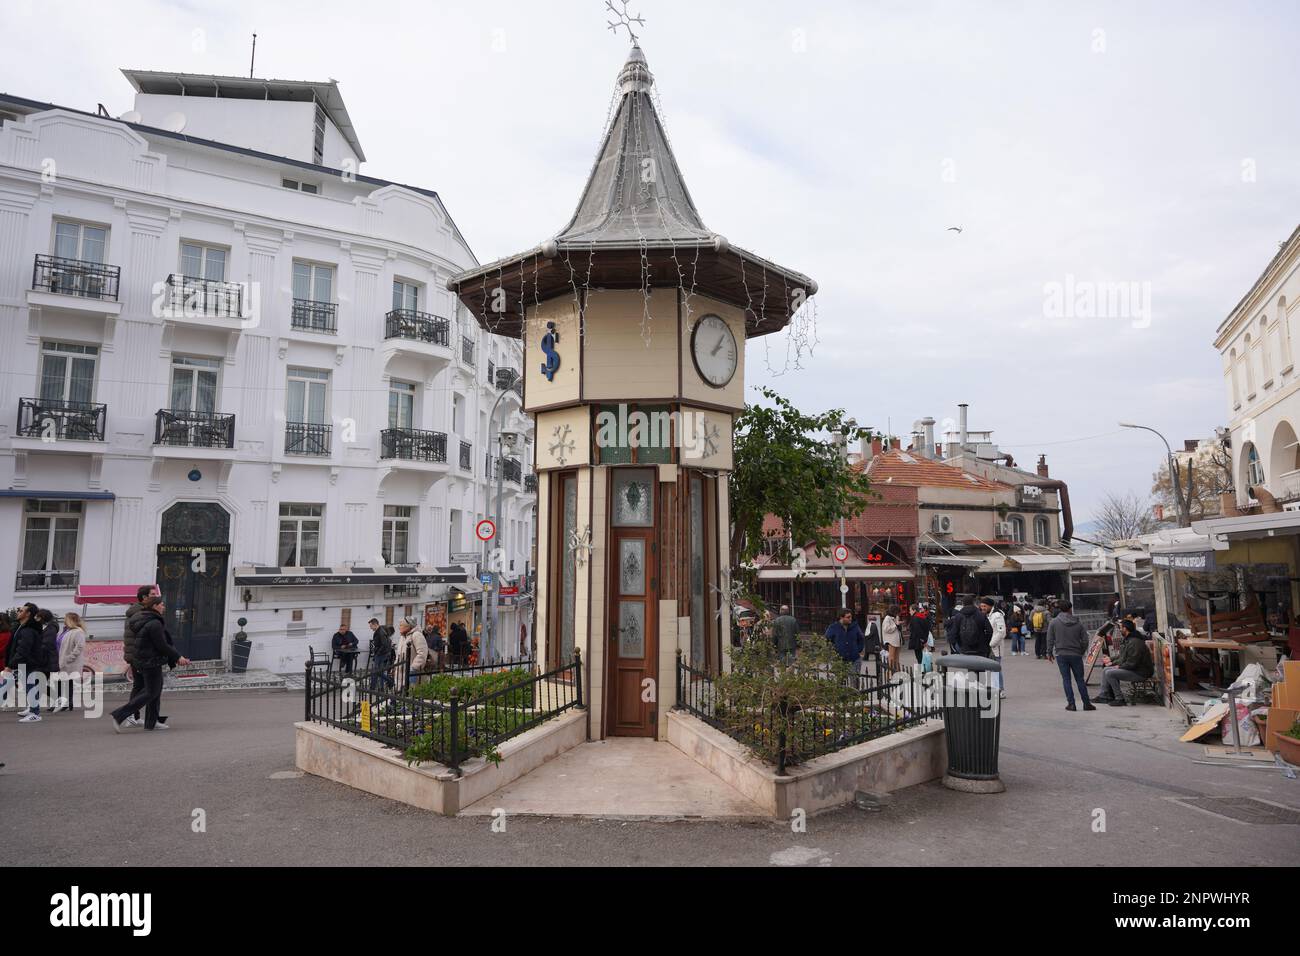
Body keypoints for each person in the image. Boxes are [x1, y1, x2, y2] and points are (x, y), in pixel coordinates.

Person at [110, 596, 189, 732]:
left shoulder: (145, 619)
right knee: (150, 692)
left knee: (155, 692)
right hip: (151, 661)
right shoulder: (154, 623)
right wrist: (178, 657)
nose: (164, 607)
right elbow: (162, 645)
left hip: (144, 660)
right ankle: (120, 715)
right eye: (161, 604)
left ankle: (151, 722)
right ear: (155, 606)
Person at [1047, 599, 1095, 711]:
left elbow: (1050, 639)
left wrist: (1049, 652)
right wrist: (1081, 651)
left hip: (1061, 654)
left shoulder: (1054, 622)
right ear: (1070, 609)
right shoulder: (1078, 622)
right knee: (1080, 679)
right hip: (1076, 654)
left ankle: (1071, 704)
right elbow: (1085, 639)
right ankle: (1086, 704)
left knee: (1066, 679)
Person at [1093, 620, 1155, 706]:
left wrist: (1119, 666)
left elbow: (1132, 663)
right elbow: (1122, 656)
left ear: (1125, 629)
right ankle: (1104, 696)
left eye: (1121, 628)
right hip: (1134, 669)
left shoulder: (1135, 642)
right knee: (1106, 670)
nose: (1120, 630)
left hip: (1140, 672)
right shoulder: (1128, 640)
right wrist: (1110, 660)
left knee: (1110, 673)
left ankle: (1119, 698)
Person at [122, 585, 155, 727]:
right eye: (153, 594)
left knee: (140, 686)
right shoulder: (141, 614)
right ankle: (129, 714)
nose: (156, 597)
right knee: (145, 687)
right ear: (144, 598)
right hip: (140, 656)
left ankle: (133, 715)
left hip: (138, 655)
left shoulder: (140, 613)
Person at [9, 604, 45, 722]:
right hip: (24, 662)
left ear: (28, 614)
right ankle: (32, 709)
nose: (18, 611)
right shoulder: (22, 627)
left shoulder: (28, 630)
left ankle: (35, 713)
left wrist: (11, 665)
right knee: (28, 687)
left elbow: (23, 649)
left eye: (21, 610)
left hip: (29, 662)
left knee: (30, 687)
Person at [53, 611, 87, 712]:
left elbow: (79, 646)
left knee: (67, 682)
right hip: (61, 660)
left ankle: (67, 703)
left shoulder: (78, 631)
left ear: (70, 620)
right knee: (62, 682)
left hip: (69, 661)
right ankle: (65, 703)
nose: (64, 620)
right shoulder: (65, 631)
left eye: (65, 618)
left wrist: (69, 658)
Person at [979, 598, 1006, 695]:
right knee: (988, 670)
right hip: (987, 647)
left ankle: (1000, 690)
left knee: (995, 670)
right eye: (981, 606)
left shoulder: (997, 615)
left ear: (990, 606)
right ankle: (992, 689)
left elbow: (1001, 632)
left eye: (984, 606)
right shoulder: (985, 615)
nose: (982, 608)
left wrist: (990, 644)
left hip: (995, 648)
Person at [393, 616, 429, 686]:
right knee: (401, 692)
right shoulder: (402, 637)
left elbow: (422, 653)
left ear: (409, 626)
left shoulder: (417, 635)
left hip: (411, 671)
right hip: (401, 673)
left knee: (411, 692)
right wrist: (395, 666)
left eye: (401, 625)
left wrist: (414, 667)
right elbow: (399, 654)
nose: (399, 627)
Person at [367, 619, 395, 691]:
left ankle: (389, 682)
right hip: (382, 654)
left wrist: (378, 653)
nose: (370, 628)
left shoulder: (380, 632)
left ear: (375, 624)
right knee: (378, 671)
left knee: (377, 671)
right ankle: (378, 687)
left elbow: (384, 644)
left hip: (381, 655)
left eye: (371, 626)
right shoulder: (380, 630)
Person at [882, 605, 902, 672]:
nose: (898, 614)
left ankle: (897, 671)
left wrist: (898, 624)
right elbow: (886, 629)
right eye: (897, 612)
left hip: (897, 641)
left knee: (897, 658)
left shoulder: (895, 617)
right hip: (891, 641)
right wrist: (895, 625)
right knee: (892, 658)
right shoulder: (887, 618)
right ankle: (891, 672)